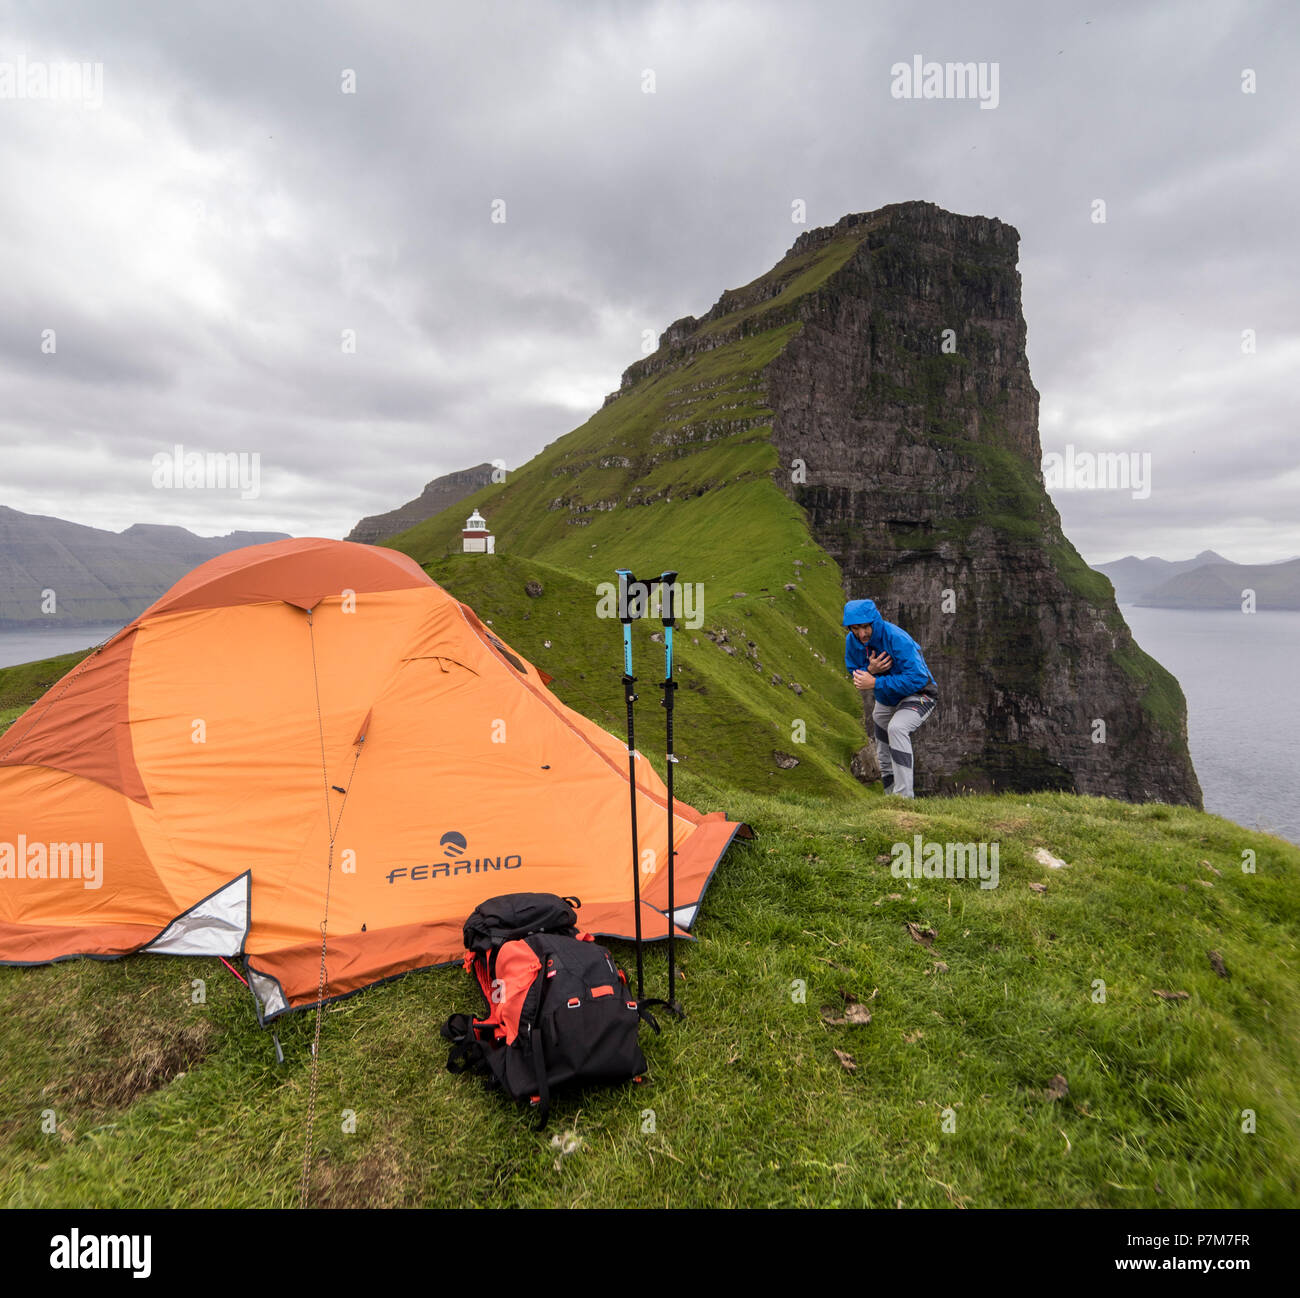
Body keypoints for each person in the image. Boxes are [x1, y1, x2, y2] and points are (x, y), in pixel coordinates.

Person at [843, 598, 938, 799]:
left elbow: (918, 678)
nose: (861, 634)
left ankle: (904, 798)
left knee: (898, 728)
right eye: (855, 628)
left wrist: (876, 682)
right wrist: (870, 670)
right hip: (886, 700)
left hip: (920, 695)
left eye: (865, 627)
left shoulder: (896, 638)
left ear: (874, 622)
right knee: (883, 753)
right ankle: (891, 800)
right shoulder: (852, 641)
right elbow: (854, 671)